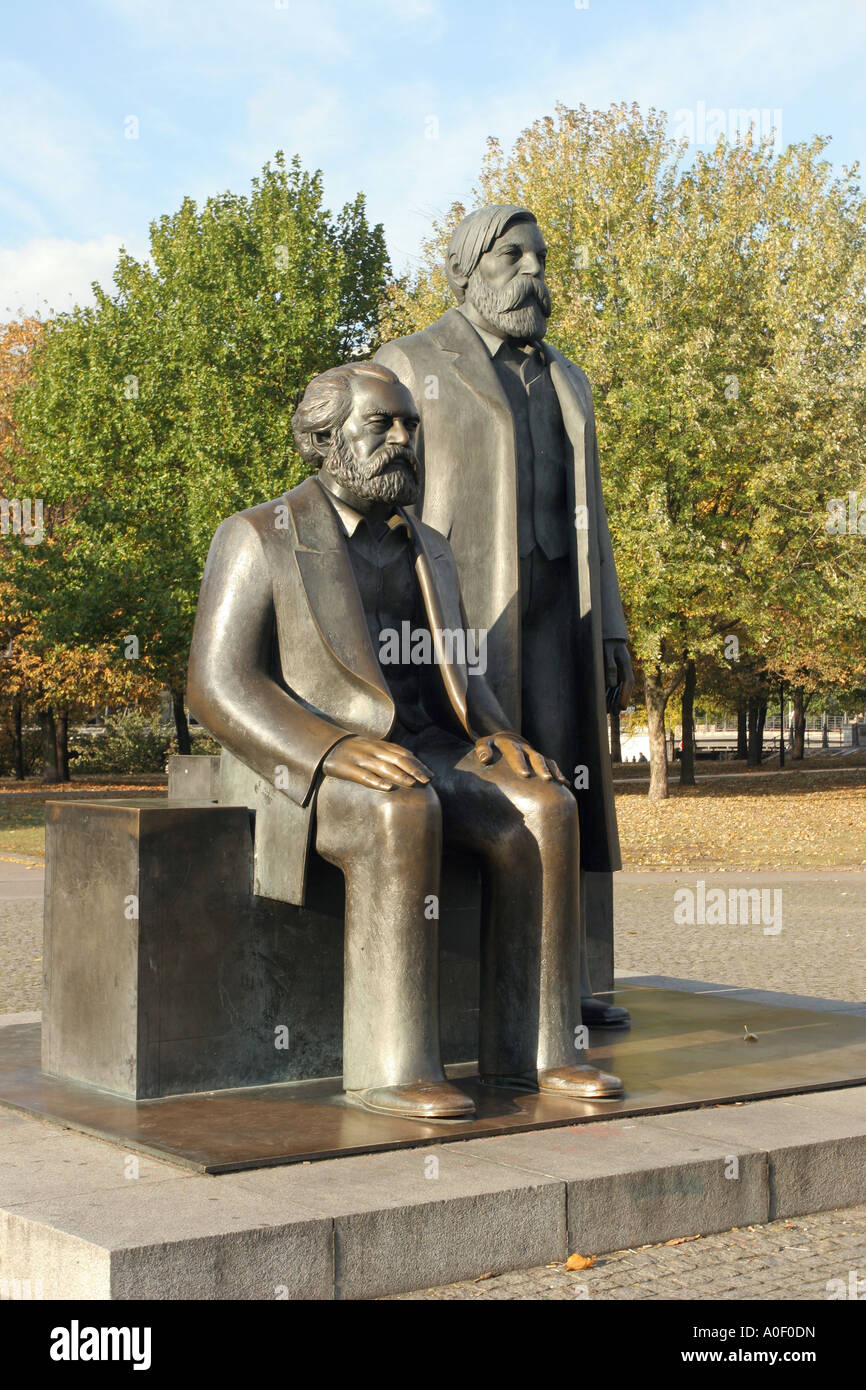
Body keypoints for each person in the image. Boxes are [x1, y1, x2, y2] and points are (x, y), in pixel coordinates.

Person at [187, 361, 623, 1120]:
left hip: (429, 745)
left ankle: (539, 1053)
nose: (403, 440)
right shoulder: (259, 536)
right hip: (301, 759)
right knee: (401, 809)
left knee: (547, 807)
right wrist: (326, 748)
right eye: (381, 425)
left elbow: (462, 670)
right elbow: (218, 686)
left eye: (410, 427)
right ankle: (393, 1067)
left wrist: (499, 732)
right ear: (324, 441)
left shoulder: (432, 547)